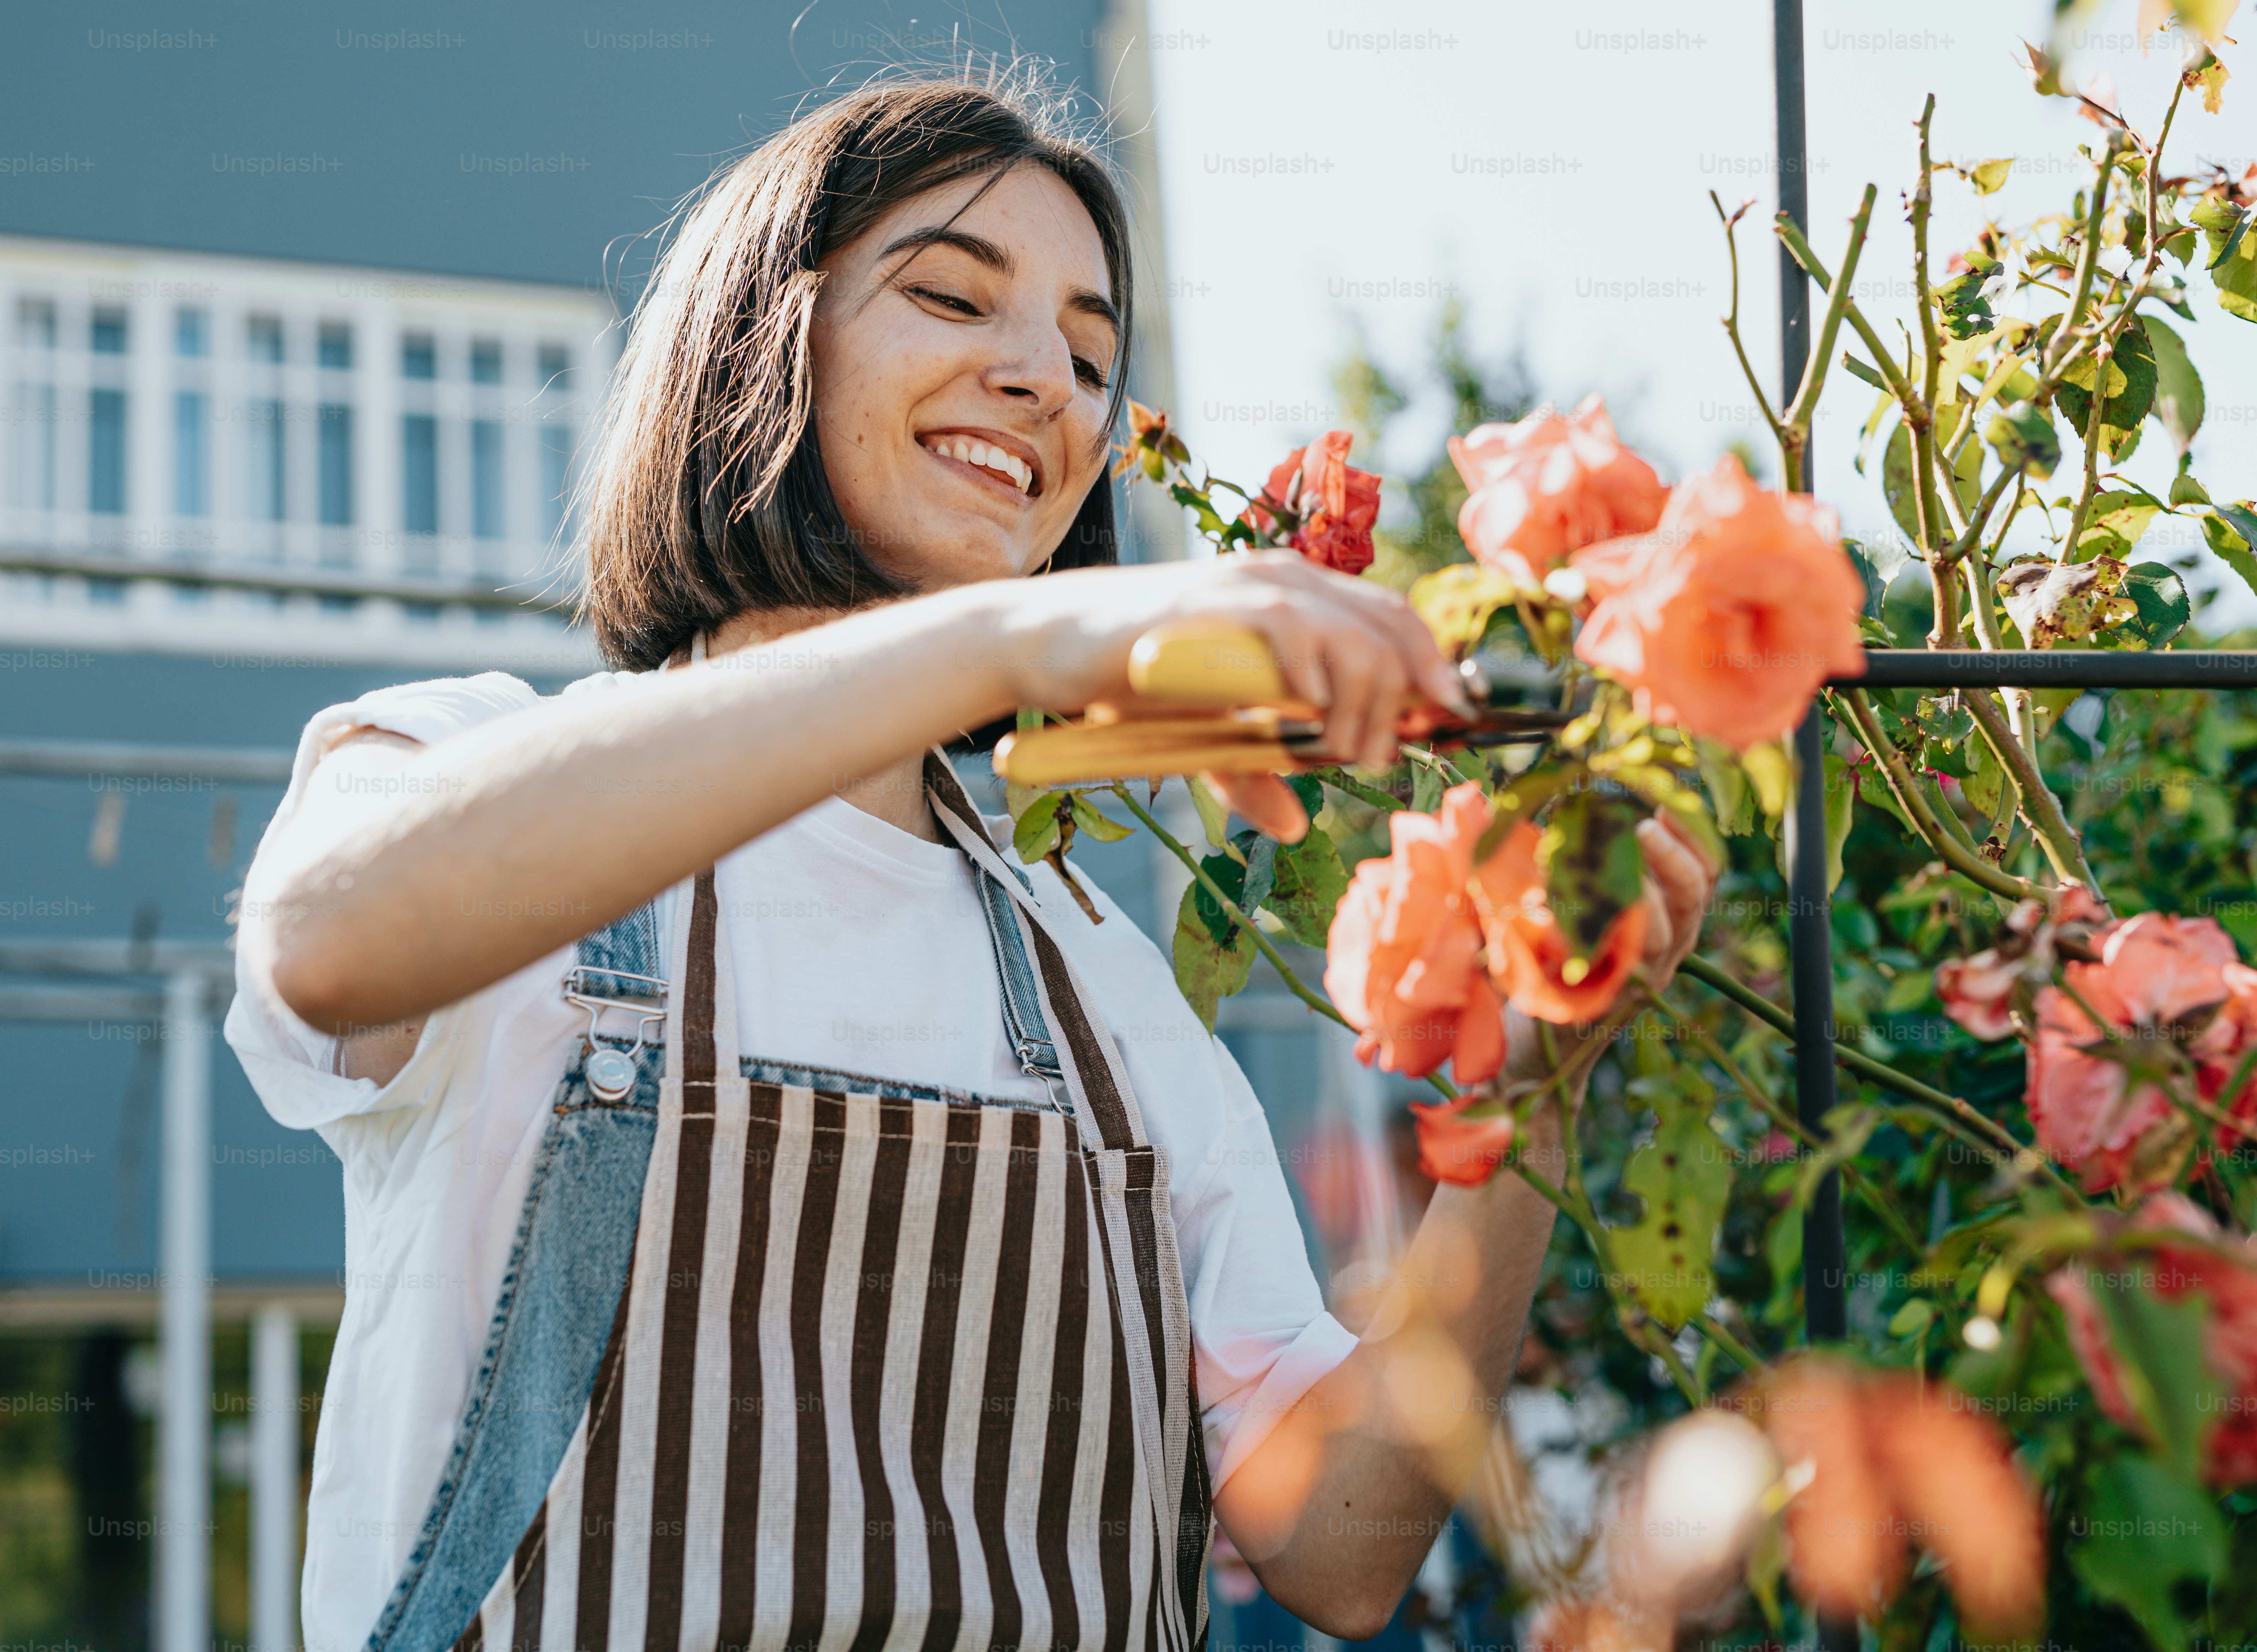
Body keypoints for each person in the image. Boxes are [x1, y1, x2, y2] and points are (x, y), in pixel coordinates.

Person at [229, 71, 1711, 1652]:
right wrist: (1001, 631)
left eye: (1088, 354)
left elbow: (1343, 1546)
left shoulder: (1099, 982)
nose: (1045, 385)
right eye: (951, 296)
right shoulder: (464, 753)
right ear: (758, 345)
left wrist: (1539, 1076)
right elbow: (327, 938)